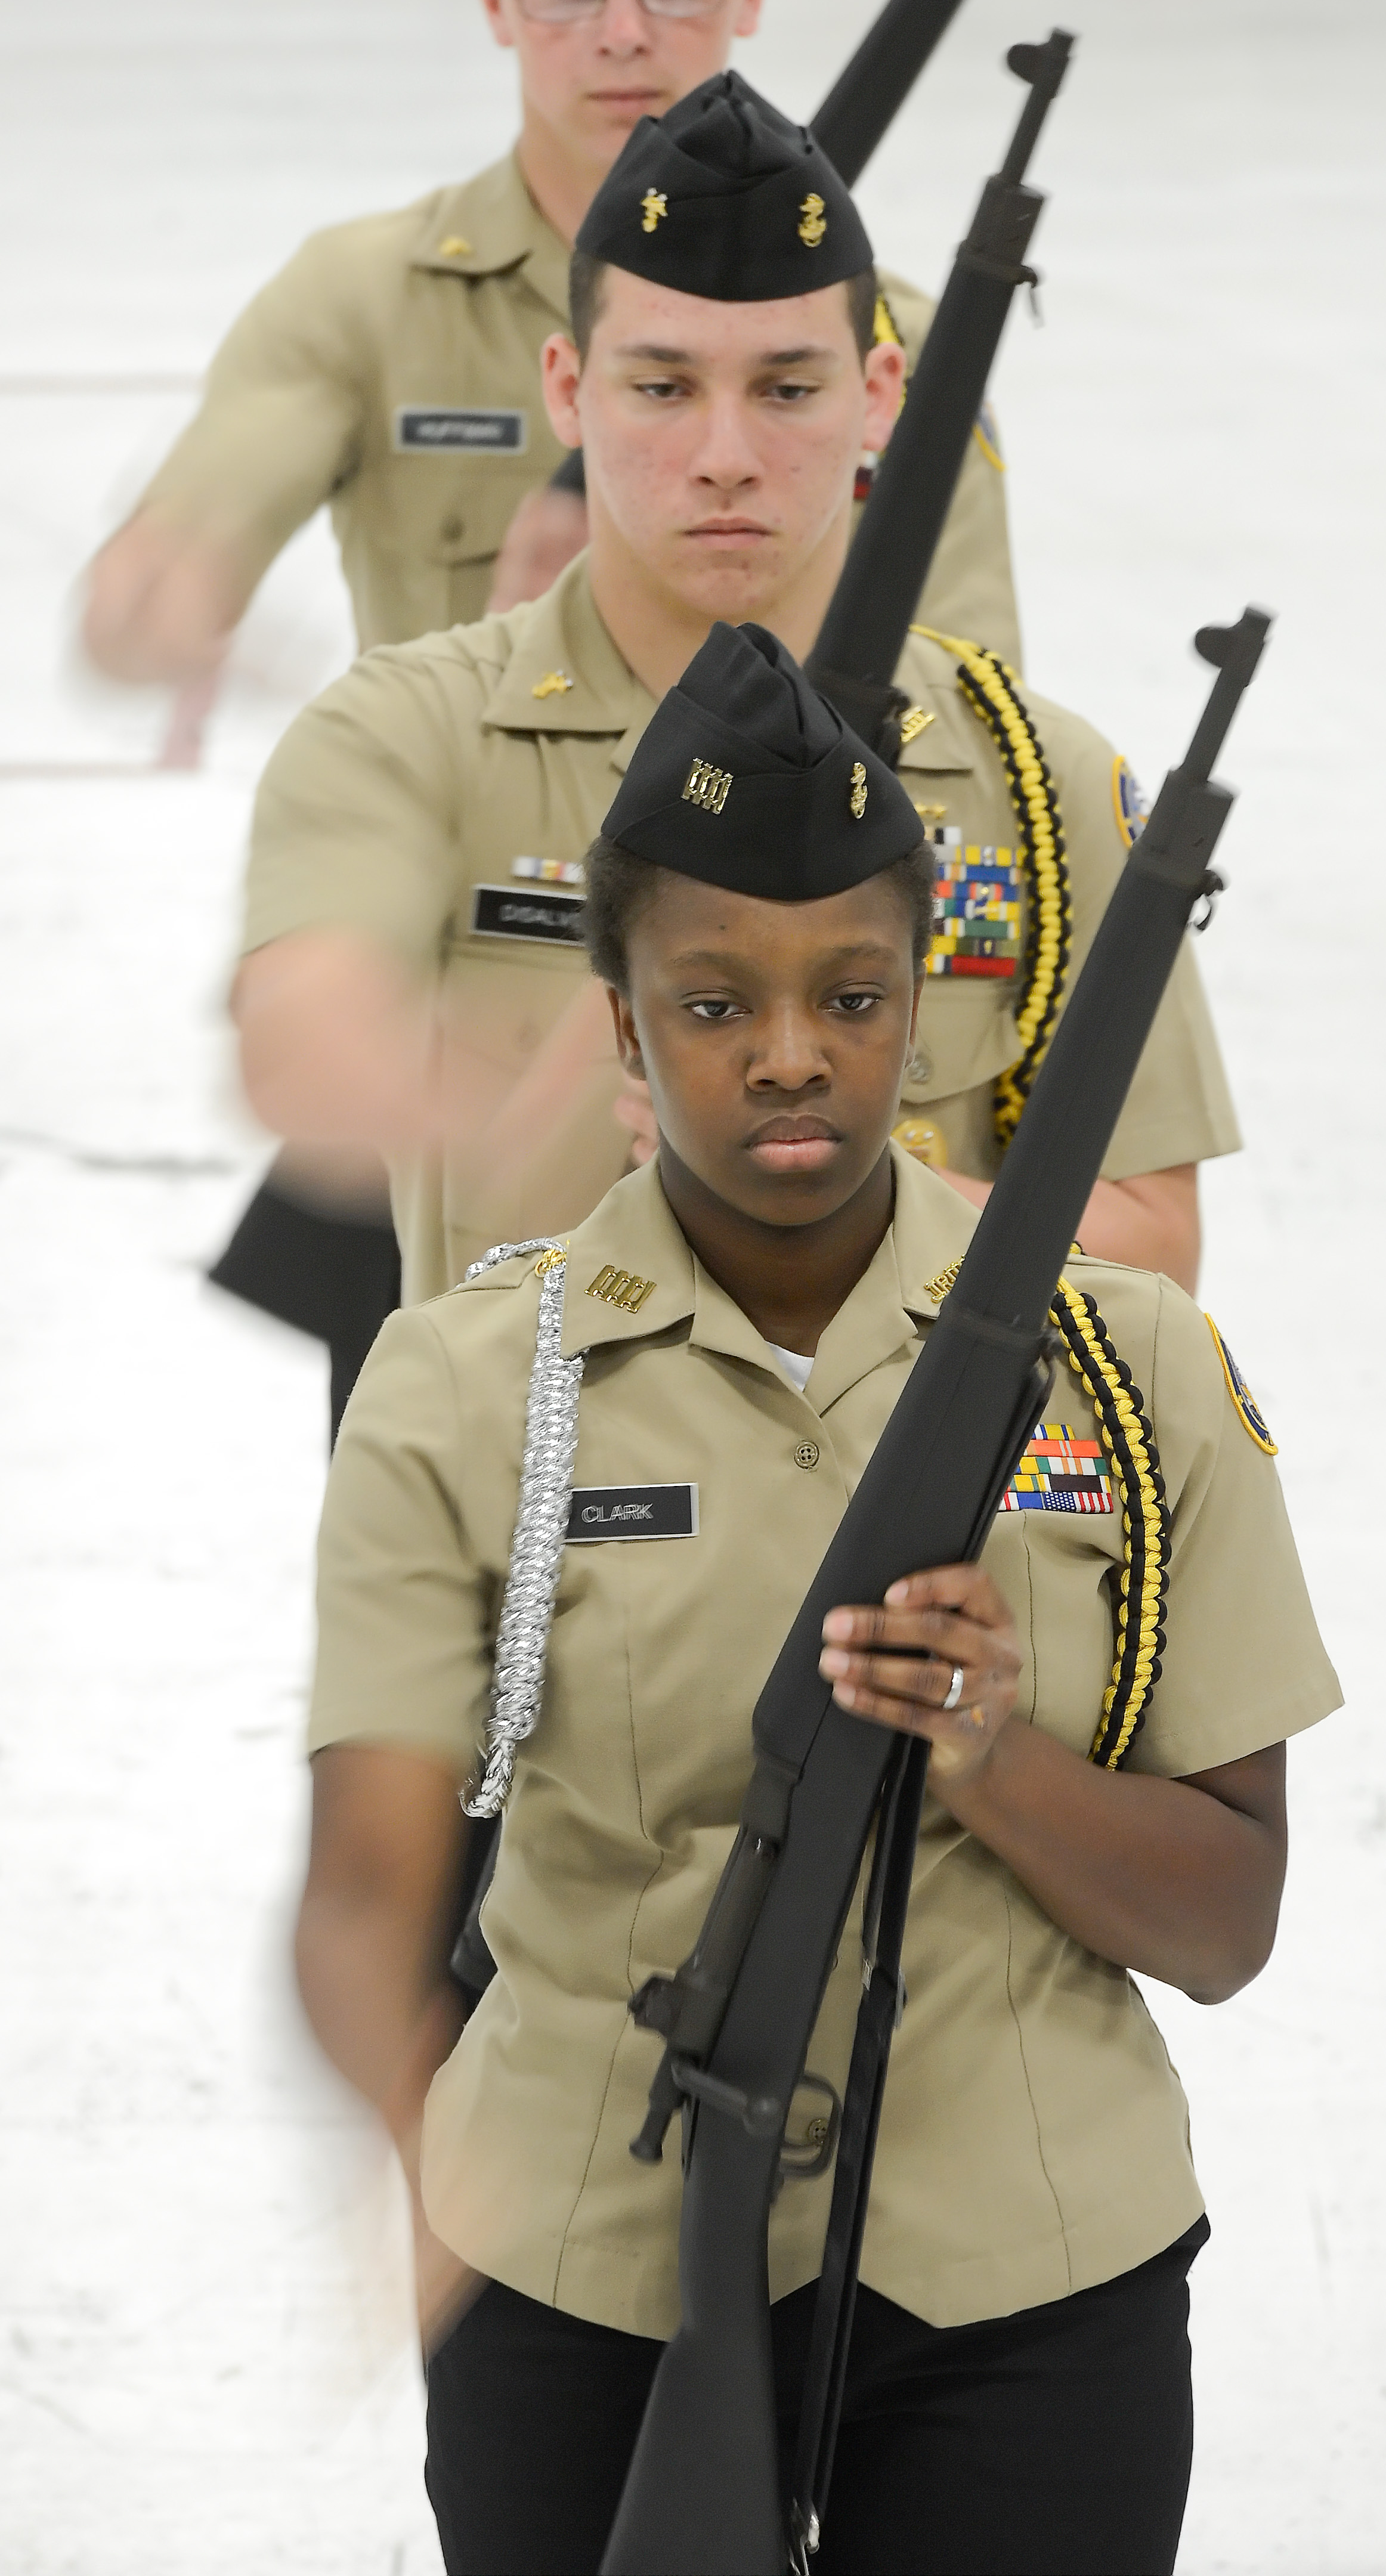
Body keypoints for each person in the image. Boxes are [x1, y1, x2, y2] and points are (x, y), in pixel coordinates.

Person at [295, 620, 1341, 2576]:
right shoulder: (462, 1386)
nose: (789, 1052)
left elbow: (1227, 1921)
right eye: (712, 1001)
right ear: (622, 1030)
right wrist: (439, 2185)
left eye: (853, 994)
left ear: (921, 1006)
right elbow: (366, 1886)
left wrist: (994, 1757)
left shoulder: (1131, 1368)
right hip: (579, 2278)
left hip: (1024, 2285)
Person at [235, 73, 1237, 1333]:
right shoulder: (408, 734)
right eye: (663, 388)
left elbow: (1157, 1255)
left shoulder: (1041, 780)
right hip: (540, 1447)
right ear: (567, 388)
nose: (724, 457)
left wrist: (861, 1189)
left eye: (786, 389)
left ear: (881, 395)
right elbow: (309, 1052)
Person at [79, 0, 1020, 704]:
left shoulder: (893, 350)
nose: (623, 31)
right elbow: (165, 571)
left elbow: (977, 726)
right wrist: (154, 602)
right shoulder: (369, 303)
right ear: (496, 0)